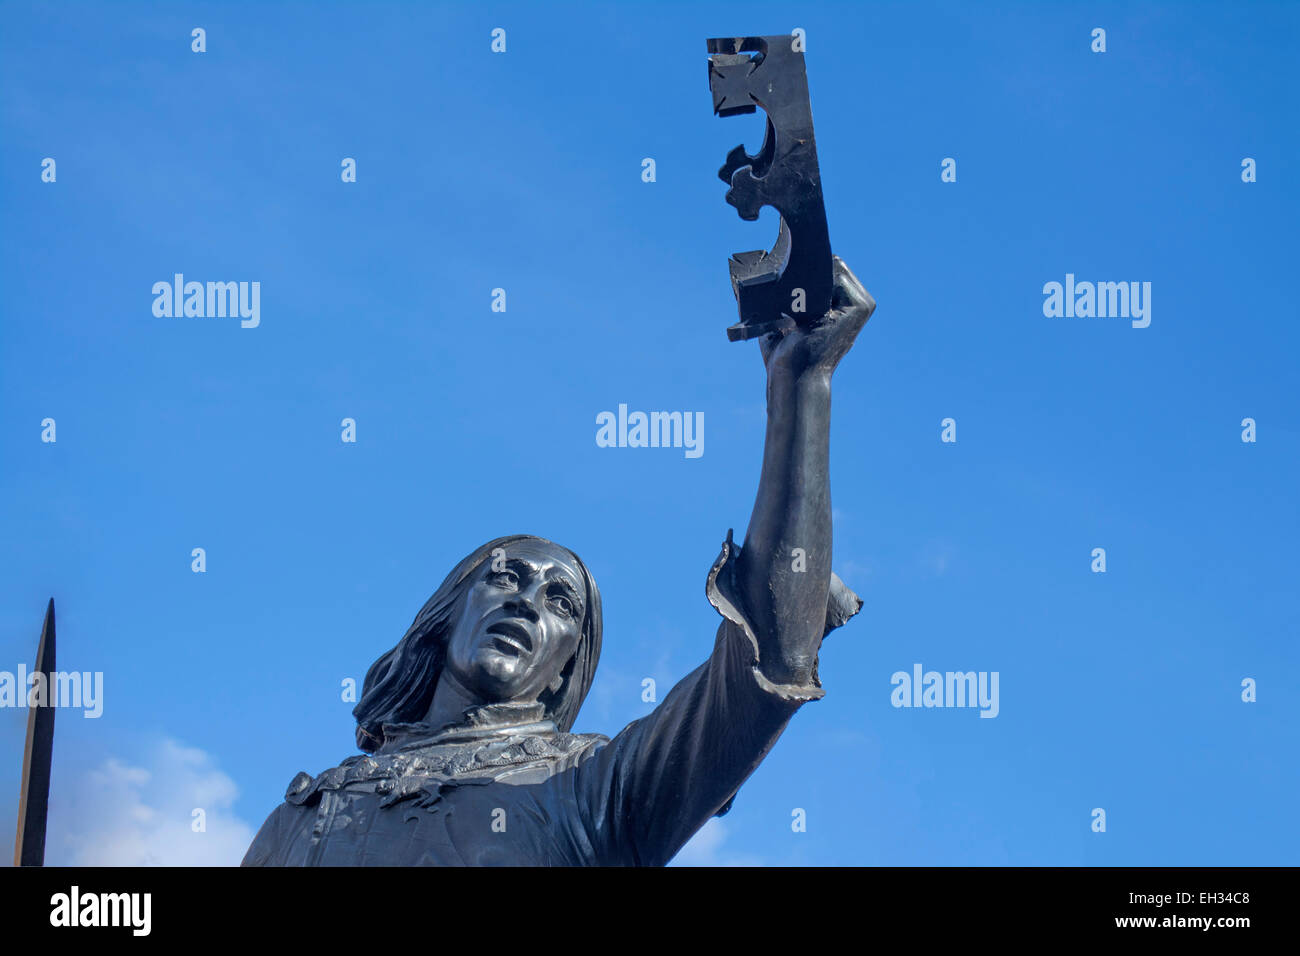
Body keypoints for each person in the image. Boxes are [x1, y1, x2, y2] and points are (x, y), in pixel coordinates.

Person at [241, 257, 875, 866]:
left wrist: (803, 385)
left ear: (563, 668)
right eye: (506, 577)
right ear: (446, 612)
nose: (527, 600)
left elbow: (770, 655)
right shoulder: (301, 818)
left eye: (561, 602)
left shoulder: (595, 789)